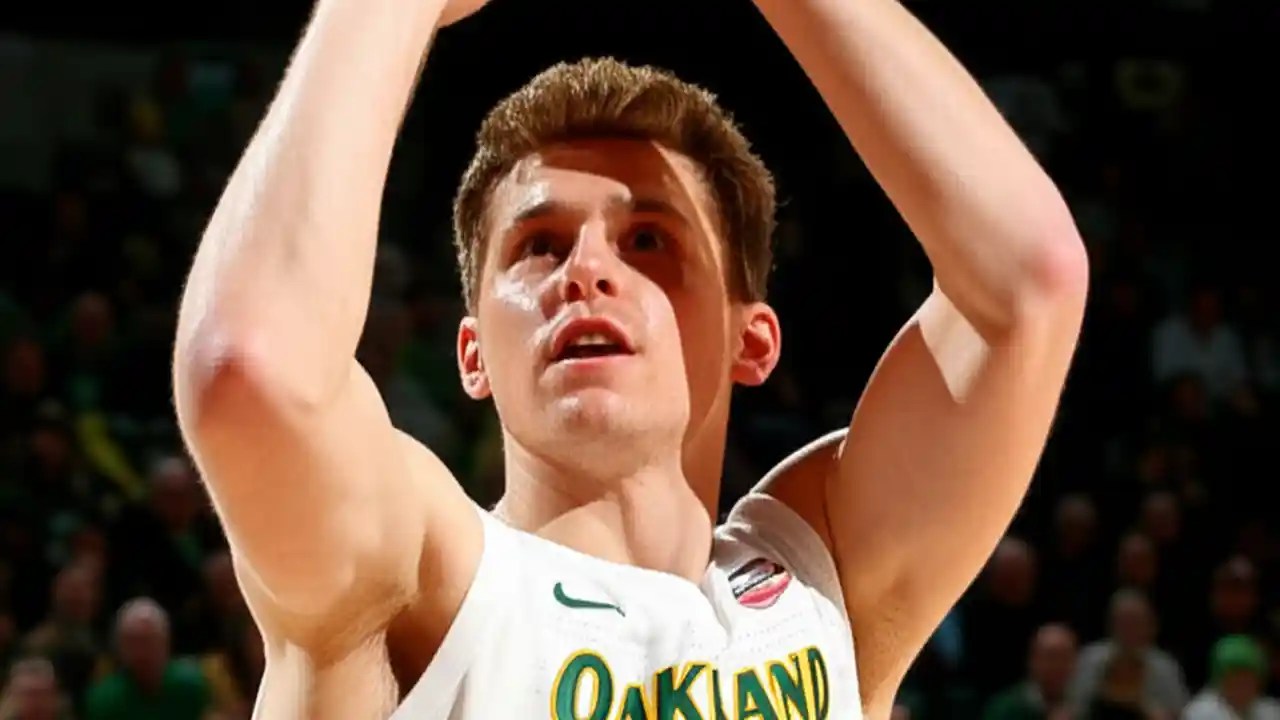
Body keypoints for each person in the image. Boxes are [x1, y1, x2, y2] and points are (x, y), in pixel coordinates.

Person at [171, 0, 1089, 716]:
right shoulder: (421, 583)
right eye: (538, 247)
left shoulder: (823, 579)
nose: (586, 273)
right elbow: (250, 367)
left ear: (751, 339)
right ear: (473, 352)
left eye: (649, 241)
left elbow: (1028, 285)